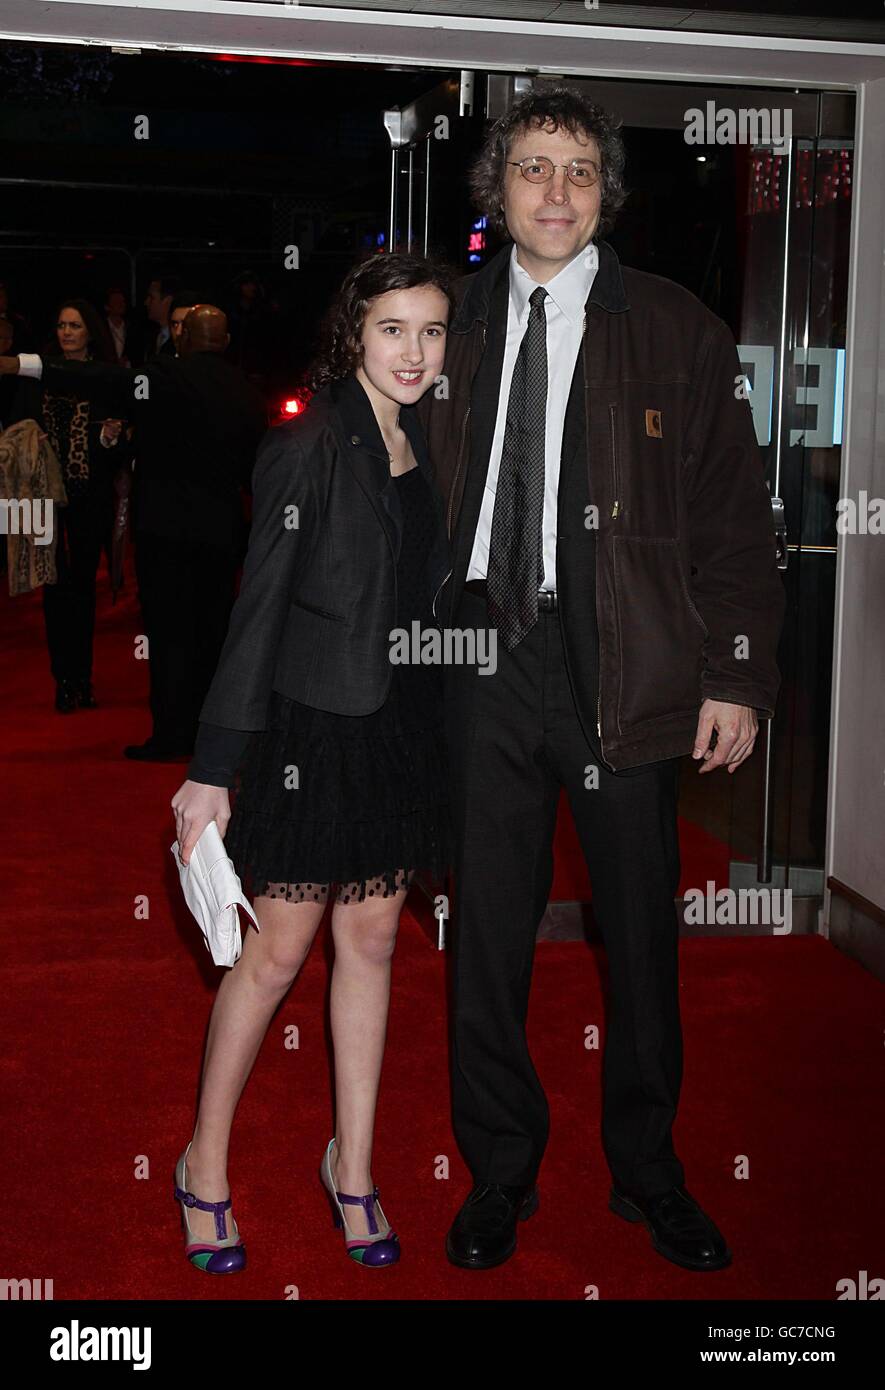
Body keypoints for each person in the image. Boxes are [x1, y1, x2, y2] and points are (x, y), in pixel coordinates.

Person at [416, 86, 787, 1273]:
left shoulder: (678, 327)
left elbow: (737, 519)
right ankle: (500, 1175)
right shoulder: (450, 322)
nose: (557, 193)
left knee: (641, 934)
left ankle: (649, 1173)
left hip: (624, 662)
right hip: (479, 656)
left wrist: (736, 671)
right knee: (487, 937)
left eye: (579, 172)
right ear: (498, 188)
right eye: (533, 168)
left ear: (606, 194)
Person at [167, 252, 455, 1272]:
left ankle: (356, 1166)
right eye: (393, 329)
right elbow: (256, 612)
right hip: (310, 733)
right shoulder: (306, 443)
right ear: (354, 333)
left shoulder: (422, 439)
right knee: (279, 954)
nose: (414, 351)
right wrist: (212, 766)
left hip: (396, 731)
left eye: (431, 330)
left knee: (372, 946)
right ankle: (203, 1163)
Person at [2, 305, 268, 756]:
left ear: (184, 341)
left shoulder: (165, 378)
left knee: (167, 636)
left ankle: (171, 736)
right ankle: (213, 736)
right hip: (222, 533)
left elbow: (99, 378)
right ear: (223, 343)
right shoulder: (245, 391)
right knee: (213, 634)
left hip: (165, 532)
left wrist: (23, 364)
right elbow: (256, 469)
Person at [0, 298, 129, 712]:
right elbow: (16, 429)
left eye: (74, 325)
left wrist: (110, 437)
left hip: (89, 494)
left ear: (90, 331)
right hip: (44, 498)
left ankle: (83, 677)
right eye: (61, 325)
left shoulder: (107, 376)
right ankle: (64, 680)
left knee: (83, 587)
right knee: (53, 587)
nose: (67, 332)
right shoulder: (36, 374)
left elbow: (122, 443)